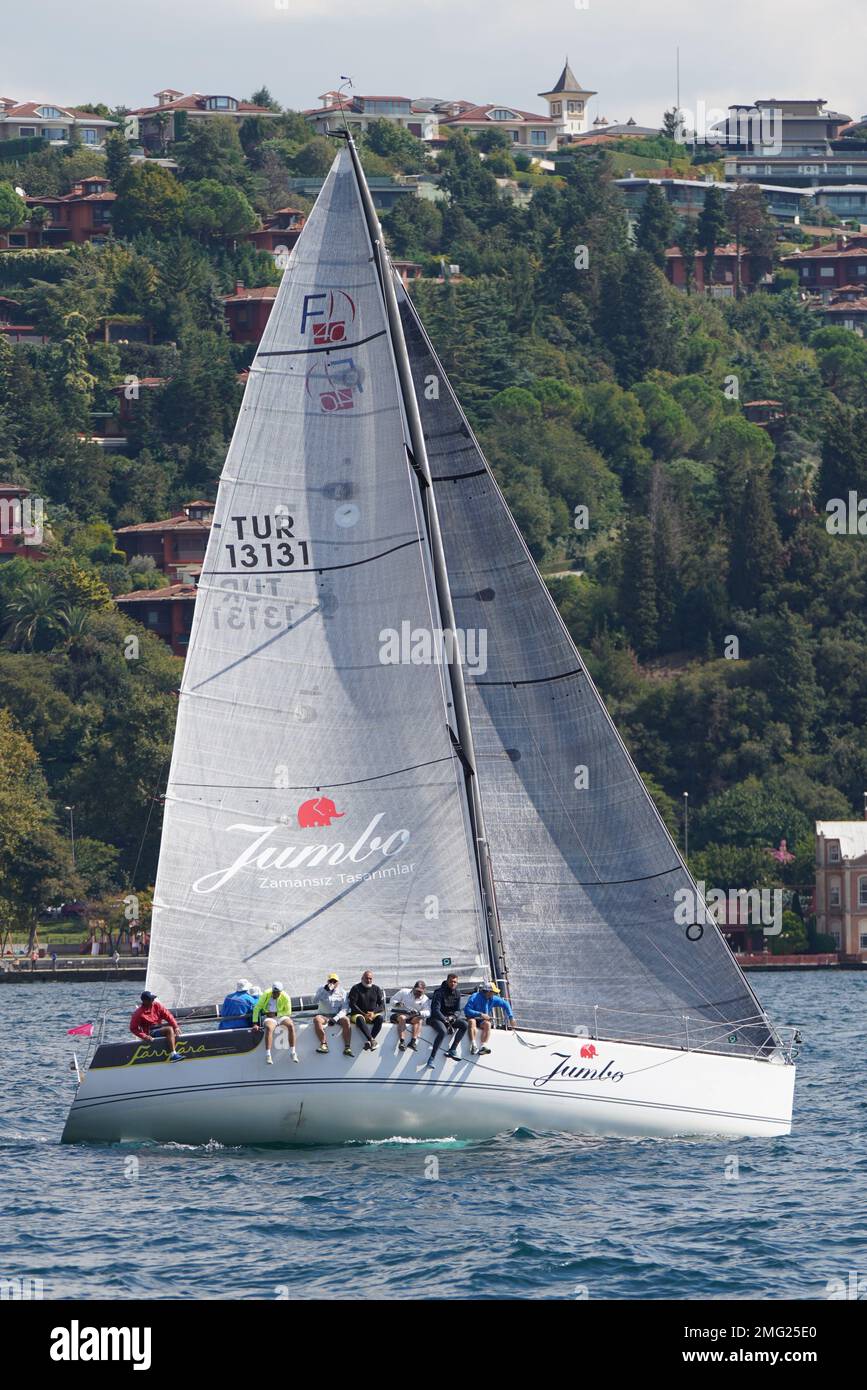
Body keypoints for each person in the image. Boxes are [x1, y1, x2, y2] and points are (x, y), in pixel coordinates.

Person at [426, 973, 468, 1068]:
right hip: (436, 1018)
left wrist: (453, 1017)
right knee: (443, 1031)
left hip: (449, 1018)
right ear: (447, 981)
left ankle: (452, 1050)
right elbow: (435, 1010)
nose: (453, 983)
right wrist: (444, 1020)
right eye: (451, 981)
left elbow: (457, 1010)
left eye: (455, 982)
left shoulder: (457, 993)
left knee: (464, 1025)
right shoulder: (439, 992)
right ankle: (431, 1058)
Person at [252, 981, 298, 1065]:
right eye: (274, 992)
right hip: (269, 1017)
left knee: (291, 1025)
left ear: (281, 992)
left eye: (277, 993)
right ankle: (268, 1055)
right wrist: (255, 1023)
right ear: (272, 991)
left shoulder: (285, 996)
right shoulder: (266, 994)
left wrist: (276, 1014)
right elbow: (257, 1008)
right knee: (269, 1028)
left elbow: (288, 1012)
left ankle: (293, 1052)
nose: (275, 994)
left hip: (281, 1016)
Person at [129, 990, 183, 1061]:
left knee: (174, 1029)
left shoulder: (157, 1005)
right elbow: (133, 1028)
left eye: (153, 999)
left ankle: (172, 1047)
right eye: (151, 999)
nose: (153, 1000)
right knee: (169, 1029)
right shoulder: (138, 1013)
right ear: (145, 1001)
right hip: (150, 1032)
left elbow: (168, 1015)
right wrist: (145, 1036)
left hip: (160, 1029)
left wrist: (176, 1027)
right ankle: (173, 1055)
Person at [464, 982, 515, 1055]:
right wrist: (480, 1014)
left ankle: (482, 1046)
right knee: (472, 1022)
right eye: (493, 992)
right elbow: (467, 1010)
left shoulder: (492, 998)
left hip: (482, 1021)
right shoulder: (474, 997)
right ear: (488, 992)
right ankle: (473, 1045)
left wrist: (511, 1017)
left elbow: (505, 1004)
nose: (494, 994)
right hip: (472, 1018)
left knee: (488, 1024)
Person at [312, 973, 353, 1056]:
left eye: (335, 981)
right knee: (316, 1019)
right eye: (331, 981)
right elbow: (314, 1001)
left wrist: (336, 1018)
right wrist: (324, 991)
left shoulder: (343, 992)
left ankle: (347, 1047)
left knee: (346, 1020)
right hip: (323, 1015)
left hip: (336, 1016)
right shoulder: (321, 989)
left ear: (338, 982)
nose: (332, 983)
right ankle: (323, 1044)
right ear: (327, 981)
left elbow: (345, 1009)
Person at [348, 970, 385, 1051]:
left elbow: (382, 1006)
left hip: (372, 1014)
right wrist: (364, 1014)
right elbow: (352, 1005)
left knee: (380, 1018)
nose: (368, 980)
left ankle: (369, 1041)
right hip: (358, 1014)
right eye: (366, 978)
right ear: (362, 978)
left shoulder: (377, 989)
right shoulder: (355, 988)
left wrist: (373, 1013)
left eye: (370, 979)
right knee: (360, 1018)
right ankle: (372, 1040)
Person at [389, 980, 430, 1052]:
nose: (418, 993)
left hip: (412, 1017)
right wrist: (397, 1004)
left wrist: (419, 1013)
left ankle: (413, 1042)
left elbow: (428, 1012)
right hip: (399, 1015)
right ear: (413, 988)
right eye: (417, 991)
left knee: (419, 1019)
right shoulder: (404, 992)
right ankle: (402, 1042)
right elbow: (392, 1001)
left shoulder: (425, 999)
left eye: (420, 992)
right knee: (402, 1017)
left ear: (424, 991)